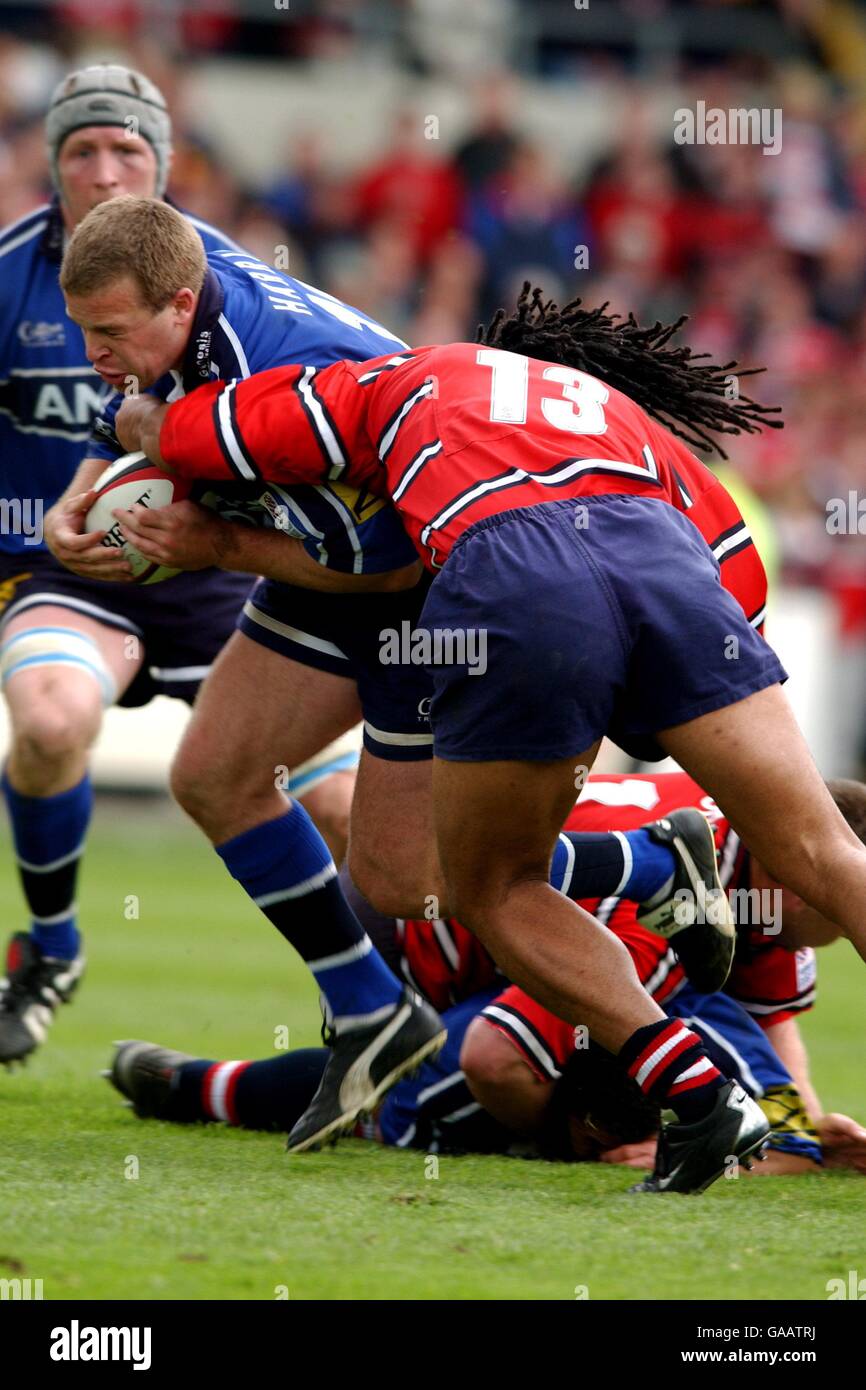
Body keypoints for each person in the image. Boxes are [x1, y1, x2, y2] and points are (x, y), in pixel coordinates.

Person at [115, 296, 866, 1193]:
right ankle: (653, 896)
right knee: (820, 848)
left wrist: (143, 429)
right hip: (677, 573)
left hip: (513, 580)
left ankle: (697, 1083)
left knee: (486, 888)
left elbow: (220, 431)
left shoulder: (414, 374)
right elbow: (736, 577)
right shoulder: (637, 431)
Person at [0, 64, 253, 1065]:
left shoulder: (229, 276)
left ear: (162, 161)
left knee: (332, 798)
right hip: (65, 571)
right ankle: (51, 946)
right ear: (51, 163)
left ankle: (371, 1008)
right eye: (81, 152)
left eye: (127, 151)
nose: (105, 172)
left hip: (217, 572)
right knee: (54, 716)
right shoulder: (8, 276)